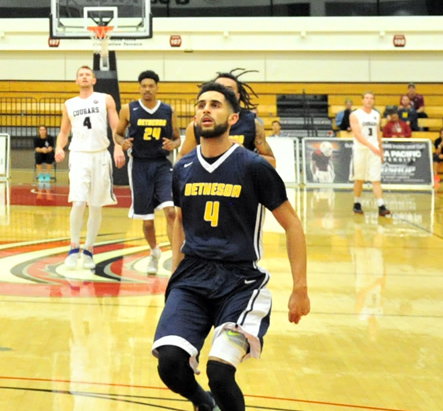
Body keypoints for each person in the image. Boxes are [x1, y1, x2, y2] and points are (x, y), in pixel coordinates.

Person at [153, 81, 311, 411]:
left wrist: (301, 288)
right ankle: (203, 405)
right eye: (201, 105)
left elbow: (292, 224)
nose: (207, 110)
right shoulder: (182, 168)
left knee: (220, 371)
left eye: (216, 105)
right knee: (169, 362)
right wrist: (176, 270)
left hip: (240, 282)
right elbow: (180, 222)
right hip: (192, 279)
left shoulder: (254, 166)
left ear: (233, 118)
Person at [54, 64, 123, 272]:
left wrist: (118, 148)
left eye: (87, 75)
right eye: (80, 75)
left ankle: (89, 249)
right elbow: (64, 132)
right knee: (78, 202)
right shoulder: (69, 104)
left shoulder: (105, 99)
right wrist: (59, 147)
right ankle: (73, 247)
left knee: (95, 205)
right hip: (79, 155)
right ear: (76, 81)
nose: (84, 77)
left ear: (94, 80)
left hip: (101, 155)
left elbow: (116, 127)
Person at [117, 69, 179, 274]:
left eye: (151, 86)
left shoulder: (168, 110)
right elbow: (117, 134)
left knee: (171, 211)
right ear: (139, 88)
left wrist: (173, 143)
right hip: (139, 166)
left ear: (157, 88)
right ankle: (154, 252)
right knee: (148, 221)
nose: (147, 89)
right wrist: (123, 143)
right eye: (144, 86)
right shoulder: (128, 109)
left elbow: (178, 138)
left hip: (162, 164)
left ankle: (177, 258)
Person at [174, 73, 278, 167]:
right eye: (218, 88)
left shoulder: (252, 124)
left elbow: (271, 162)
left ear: (237, 96)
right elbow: (182, 159)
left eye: (228, 89)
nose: (222, 92)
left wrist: (243, 153)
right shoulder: (196, 125)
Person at [349, 91, 389, 218]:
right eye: (366, 98)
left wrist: (380, 150)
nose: (369, 100)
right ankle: (357, 202)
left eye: (371, 98)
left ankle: (381, 205)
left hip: (374, 151)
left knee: (376, 179)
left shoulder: (376, 115)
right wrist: (371, 146)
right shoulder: (355, 115)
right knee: (359, 179)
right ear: (362, 100)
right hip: (361, 150)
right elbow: (357, 134)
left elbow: (378, 134)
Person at [33, 125, 54, 196]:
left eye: (43, 130)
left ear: (46, 131)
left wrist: (47, 150)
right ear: (39, 131)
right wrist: (42, 150)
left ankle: (48, 174)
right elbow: (36, 148)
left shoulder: (50, 138)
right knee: (37, 155)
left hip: (48, 152)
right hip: (40, 153)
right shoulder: (36, 138)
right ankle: (41, 174)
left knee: (50, 155)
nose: (42, 131)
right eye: (41, 130)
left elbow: (51, 147)